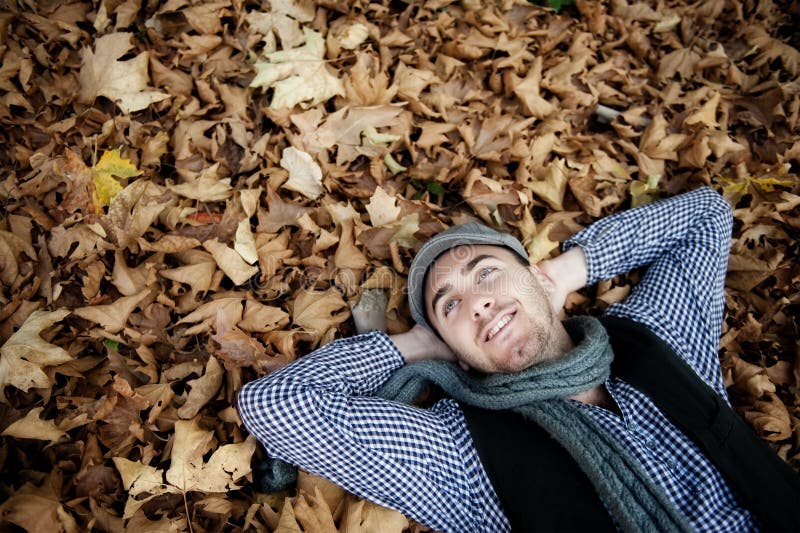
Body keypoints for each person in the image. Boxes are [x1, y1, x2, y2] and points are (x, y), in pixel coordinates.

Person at [237, 187, 800, 532]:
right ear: (451, 348)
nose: (477, 299)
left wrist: (566, 270)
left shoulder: (655, 336)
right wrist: (413, 344)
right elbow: (275, 403)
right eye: (449, 304)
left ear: (532, 276)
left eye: (486, 272)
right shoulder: (460, 453)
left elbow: (706, 215)